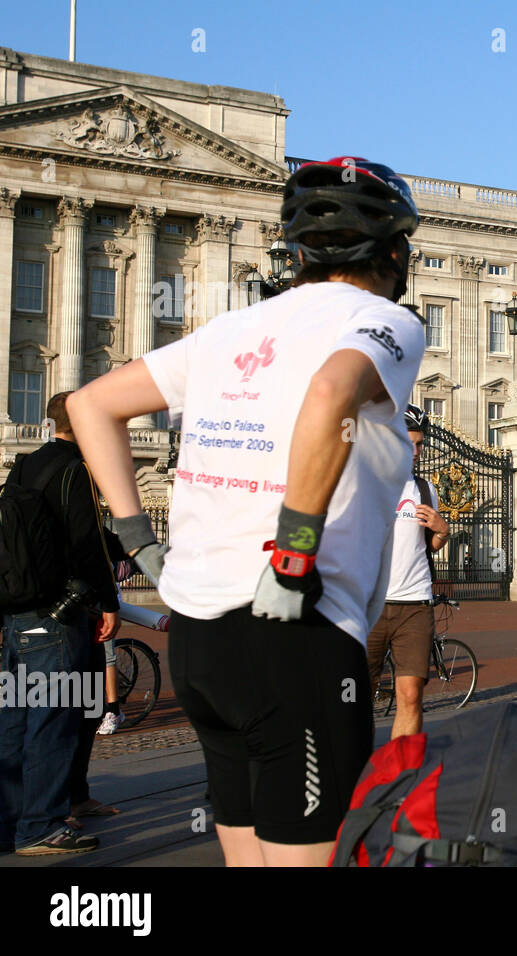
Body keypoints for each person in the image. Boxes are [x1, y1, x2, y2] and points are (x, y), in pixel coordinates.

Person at [67, 156, 424, 867]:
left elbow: (90, 404)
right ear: (394, 252)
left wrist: (142, 543)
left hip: (201, 643)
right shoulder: (386, 320)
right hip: (296, 632)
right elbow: (329, 395)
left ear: (296, 254)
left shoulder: (229, 329)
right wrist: (292, 556)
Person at [0, 392, 120, 856]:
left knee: (14, 719)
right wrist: (108, 601)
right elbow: (87, 542)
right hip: (57, 613)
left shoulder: (24, 465)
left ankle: (9, 823)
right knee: (53, 721)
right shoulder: (77, 469)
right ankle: (42, 825)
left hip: (18, 614)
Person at [365, 404, 450, 739]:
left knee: (411, 695)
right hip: (370, 605)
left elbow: (431, 545)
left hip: (415, 605)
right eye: (408, 443)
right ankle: (357, 771)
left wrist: (442, 530)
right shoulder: (366, 485)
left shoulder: (426, 489)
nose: (415, 452)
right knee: (357, 697)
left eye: (419, 445)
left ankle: (402, 773)